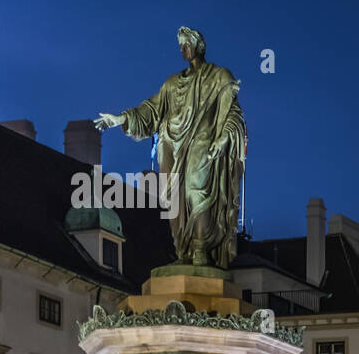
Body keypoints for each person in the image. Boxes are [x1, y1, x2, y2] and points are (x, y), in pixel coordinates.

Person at [94, 26, 246, 268]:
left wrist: (223, 138)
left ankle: (200, 250)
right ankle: (183, 252)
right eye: (180, 45)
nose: (183, 48)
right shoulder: (172, 84)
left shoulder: (220, 77)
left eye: (187, 43)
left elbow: (233, 114)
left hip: (203, 143)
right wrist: (120, 119)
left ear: (200, 46)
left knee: (196, 192)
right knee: (174, 199)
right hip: (171, 146)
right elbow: (151, 110)